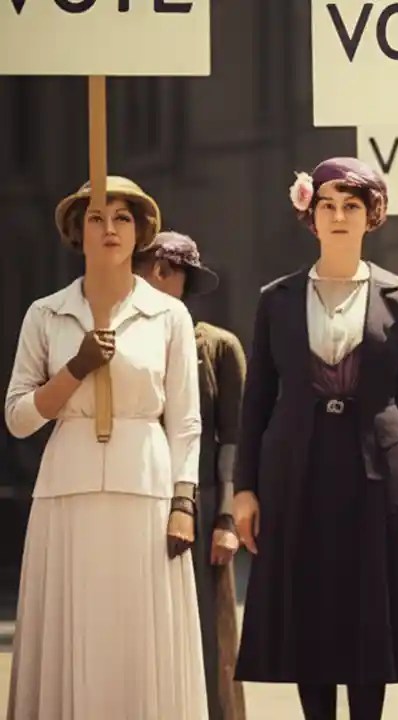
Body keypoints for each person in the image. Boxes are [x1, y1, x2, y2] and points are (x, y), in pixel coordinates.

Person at [232, 157, 398, 720]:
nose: (339, 216)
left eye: (352, 206)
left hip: (379, 466)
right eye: (328, 205)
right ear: (310, 215)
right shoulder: (278, 298)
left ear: (372, 216)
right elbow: (257, 400)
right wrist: (244, 488)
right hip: (296, 464)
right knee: (307, 603)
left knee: (372, 603)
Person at [4, 176, 206, 717]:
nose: (110, 228)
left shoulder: (170, 315)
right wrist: (74, 370)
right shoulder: (46, 314)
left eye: (122, 217)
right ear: (78, 230)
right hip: (66, 491)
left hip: (146, 488)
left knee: (137, 633)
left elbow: (185, 419)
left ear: (139, 231)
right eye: (97, 217)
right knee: (75, 628)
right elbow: (19, 417)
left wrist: (183, 501)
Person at [136, 231, 247, 720]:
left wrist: (224, 516)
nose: (161, 280)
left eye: (172, 272)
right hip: (138, 493)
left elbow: (233, 438)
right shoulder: (122, 341)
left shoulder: (217, 347)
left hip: (200, 504)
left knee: (208, 630)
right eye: (156, 269)